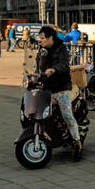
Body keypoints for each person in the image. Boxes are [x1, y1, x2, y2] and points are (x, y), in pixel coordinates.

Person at [35, 25, 82, 160]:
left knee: (67, 115)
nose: (41, 41)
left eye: (43, 38)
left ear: (50, 38)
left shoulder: (62, 49)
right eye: (40, 38)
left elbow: (64, 65)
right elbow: (37, 65)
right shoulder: (42, 50)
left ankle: (77, 142)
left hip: (61, 87)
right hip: (47, 87)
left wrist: (53, 69)